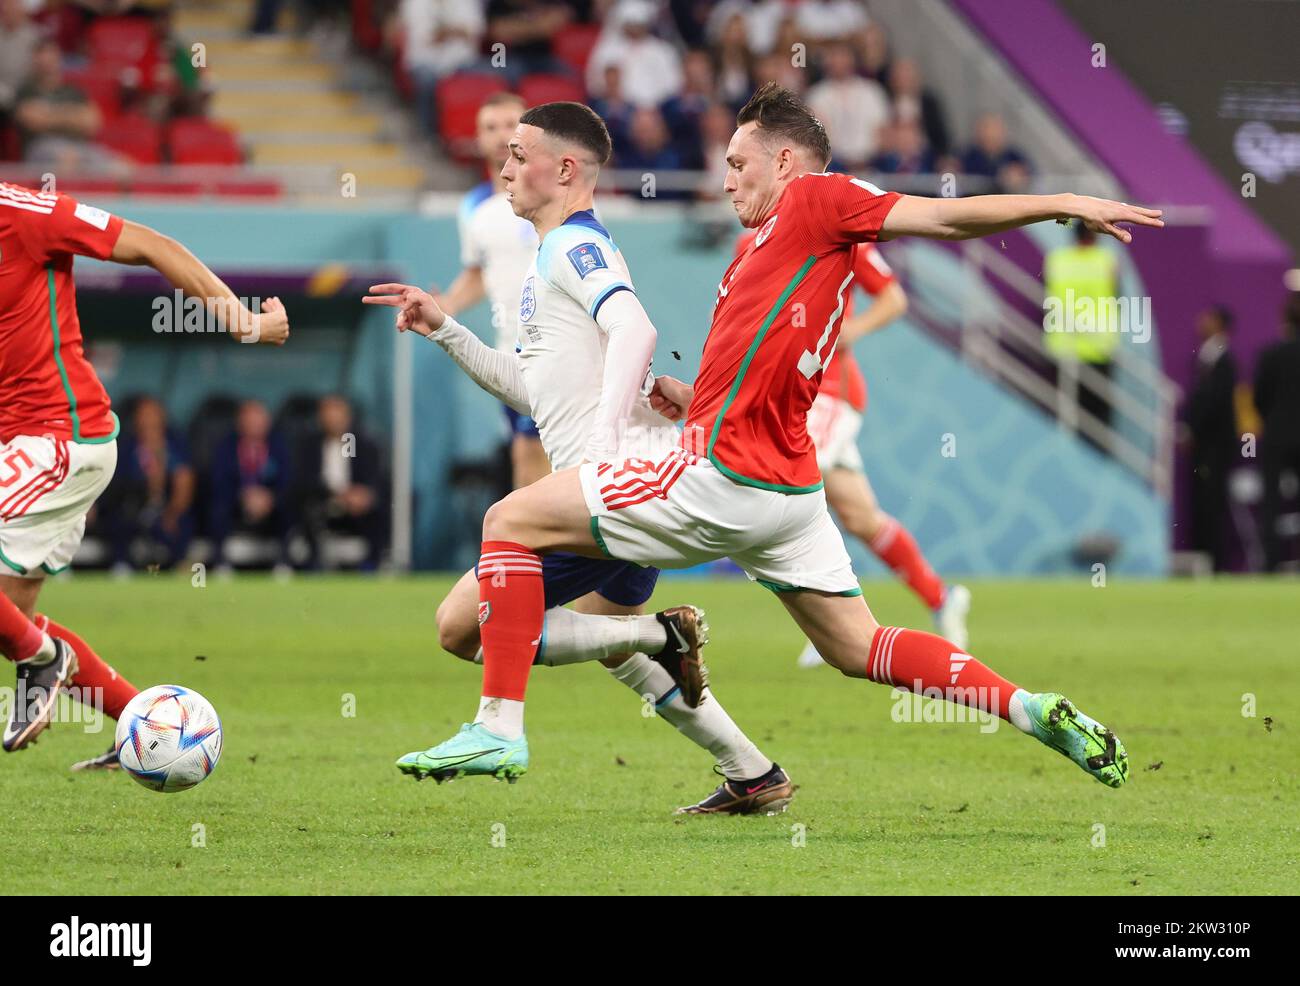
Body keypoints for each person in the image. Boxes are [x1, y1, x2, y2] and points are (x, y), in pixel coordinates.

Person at [379, 85, 1160, 796]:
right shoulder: (759, 250)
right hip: (787, 494)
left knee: (507, 521)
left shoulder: (819, 200)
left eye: (737, 163)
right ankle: (1026, 707)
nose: (725, 181)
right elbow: (769, 361)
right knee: (860, 647)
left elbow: (944, 216)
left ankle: (502, 727)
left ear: (784, 161)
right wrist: (692, 397)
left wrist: (1061, 202)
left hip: (717, 477)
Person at [368, 101, 794, 816]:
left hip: (613, 489)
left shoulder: (574, 247)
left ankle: (514, 717)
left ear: (563, 169)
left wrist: (601, 451)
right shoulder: (551, 257)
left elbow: (636, 327)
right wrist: (446, 329)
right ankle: (752, 772)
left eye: (517, 154)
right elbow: (534, 389)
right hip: (622, 491)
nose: (504, 168)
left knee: (461, 627)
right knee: (608, 647)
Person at [0, 180, 289, 765]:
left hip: (60, 437)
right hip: (29, 446)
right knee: (14, 619)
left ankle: (43, 659)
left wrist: (242, 323)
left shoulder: (21, 212)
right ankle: (157, 731)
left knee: (26, 640)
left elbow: (154, 245)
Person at [732, 228, 969, 663]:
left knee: (788, 489)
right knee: (860, 518)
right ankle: (941, 596)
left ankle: (836, 622)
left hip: (828, 393)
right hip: (785, 394)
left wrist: (850, 331)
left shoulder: (837, 235)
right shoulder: (750, 246)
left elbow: (894, 299)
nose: (735, 184)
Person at [434, 92, 549, 490]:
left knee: (532, 453)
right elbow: (479, 274)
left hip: (554, 353)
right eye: (491, 127)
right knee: (527, 454)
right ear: (478, 139)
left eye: (510, 125)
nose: (502, 135)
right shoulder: (473, 209)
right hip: (507, 354)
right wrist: (446, 305)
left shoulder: (559, 194)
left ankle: (531, 550)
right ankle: (538, 549)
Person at [1043, 223, 1121, 451]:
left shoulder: (1057, 260)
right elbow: (1117, 296)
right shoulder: (1107, 261)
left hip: (1064, 346)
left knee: (1065, 414)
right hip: (1098, 347)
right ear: (1093, 236)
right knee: (1097, 419)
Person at [292, 395, 384, 570]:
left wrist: (362, 495)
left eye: (338, 415)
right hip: (322, 499)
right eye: (328, 415)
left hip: (355, 504)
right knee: (305, 509)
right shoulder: (309, 445)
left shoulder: (361, 444)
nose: (333, 420)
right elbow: (305, 479)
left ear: (348, 417)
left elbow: (372, 477)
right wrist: (335, 494)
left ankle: (373, 564)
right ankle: (312, 565)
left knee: (378, 508)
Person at [109, 395, 196, 571]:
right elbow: (118, 484)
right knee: (118, 518)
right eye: (144, 415)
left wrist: (172, 511)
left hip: (167, 504)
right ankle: (121, 564)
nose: (149, 421)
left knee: (184, 521)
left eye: (153, 415)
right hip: (135, 505)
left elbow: (185, 479)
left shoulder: (175, 445)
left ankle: (180, 564)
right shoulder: (127, 447)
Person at [1181, 306, 1238, 571]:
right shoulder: (1207, 356)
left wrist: (1194, 428)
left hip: (1215, 446)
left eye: (1208, 317)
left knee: (1212, 504)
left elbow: (1214, 402)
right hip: (1205, 446)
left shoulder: (1223, 359)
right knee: (1203, 504)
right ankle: (1205, 561)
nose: (1201, 320)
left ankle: (1214, 563)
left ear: (1219, 323)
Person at [208, 400, 292, 571]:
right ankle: (221, 562)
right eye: (249, 421)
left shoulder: (280, 446)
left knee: (290, 507)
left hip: (270, 503)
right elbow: (219, 480)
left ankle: (284, 562)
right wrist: (243, 497)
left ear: (267, 423)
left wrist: (270, 498)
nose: (254, 425)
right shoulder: (226, 447)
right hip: (237, 501)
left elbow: (287, 480)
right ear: (240, 424)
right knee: (217, 507)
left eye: (258, 421)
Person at [1254, 293, 1300, 571]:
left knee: (1270, 501)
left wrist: (1273, 420)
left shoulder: (1271, 354)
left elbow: (1259, 397)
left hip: (1277, 435)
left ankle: (1270, 565)